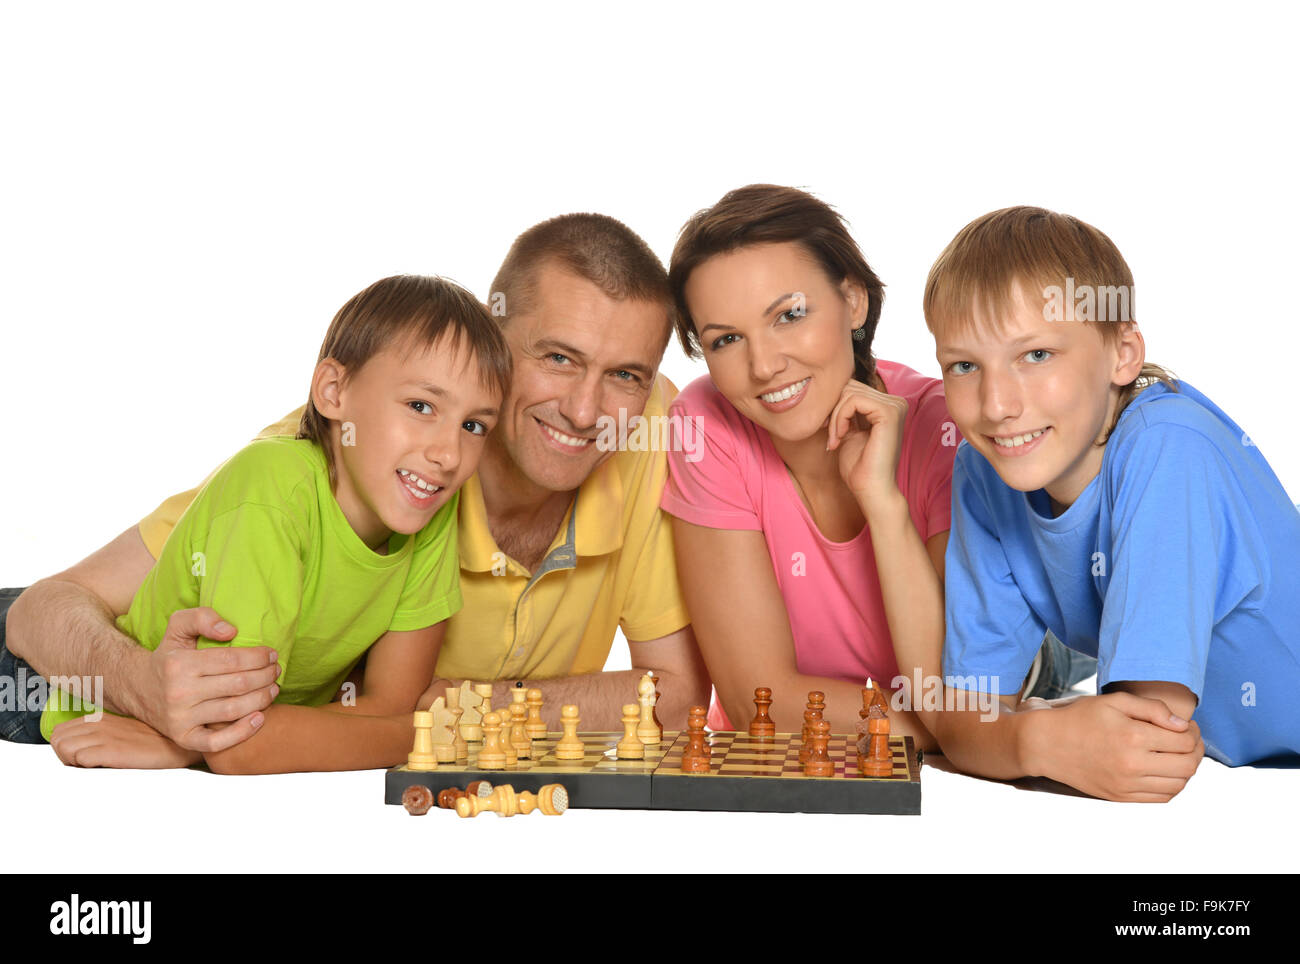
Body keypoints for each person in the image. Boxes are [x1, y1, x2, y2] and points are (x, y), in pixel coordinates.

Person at [4, 214, 709, 757]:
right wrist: (151, 699)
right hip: (56, 677)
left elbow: (676, 702)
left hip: (284, 719)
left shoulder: (645, 433)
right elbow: (43, 610)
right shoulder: (340, 456)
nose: (586, 412)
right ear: (491, 349)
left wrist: (449, 710)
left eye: (625, 375)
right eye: (558, 357)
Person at [4, 274, 511, 773]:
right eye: (421, 406)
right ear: (333, 391)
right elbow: (243, 742)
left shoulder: (428, 504)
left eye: (473, 425)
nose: (448, 454)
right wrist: (436, 736)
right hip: (46, 679)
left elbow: (389, 709)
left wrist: (193, 745)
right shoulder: (273, 488)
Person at [658, 185, 1091, 742]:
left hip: (1019, 684)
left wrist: (883, 504)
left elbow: (966, 689)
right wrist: (963, 730)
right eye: (725, 340)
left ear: (854, 301)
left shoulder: (945, 424)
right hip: (801, 763)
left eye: (789, 315)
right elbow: (755, 705)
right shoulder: (703, 423)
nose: (763, 365)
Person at [924, 205, 1300, 801]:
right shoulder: (984, 471)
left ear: (1123, 353)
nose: (995, 404)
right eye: (964, 365)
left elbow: (1145, 740)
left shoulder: (1167, 445)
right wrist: (1037, 740)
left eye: (1036, 355)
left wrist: (1026, 731)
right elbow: (962, 721)